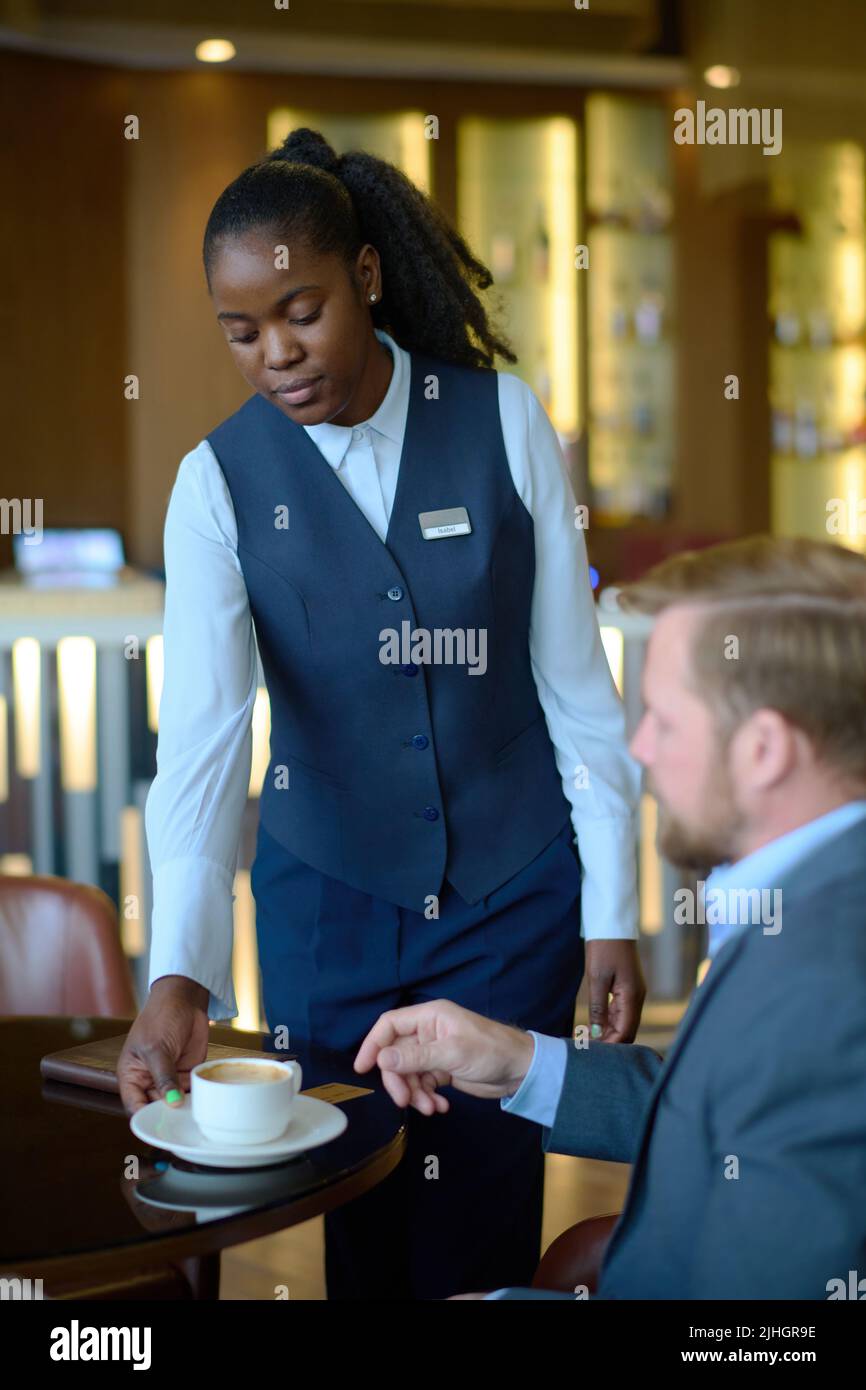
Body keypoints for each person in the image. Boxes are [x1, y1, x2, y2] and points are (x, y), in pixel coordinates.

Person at [116, 127, 644, 1300]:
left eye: (298, 311)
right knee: (352, 1210)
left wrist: (613, 905)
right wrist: (180, 978)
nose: (274, 354)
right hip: (327, 910)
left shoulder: (502, 421)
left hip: (509, 896)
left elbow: (574, 684)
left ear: (363, 274)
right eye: (241, 331)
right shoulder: (215, 486)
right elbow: (202, 745)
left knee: (482, 1215)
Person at [355, 535, 866, 1299]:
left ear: (764, 750)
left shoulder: (827, 982)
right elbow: (730, 1118)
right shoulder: (812, 901)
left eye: (663, 718)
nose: (639, 747)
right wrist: (522, 1062)